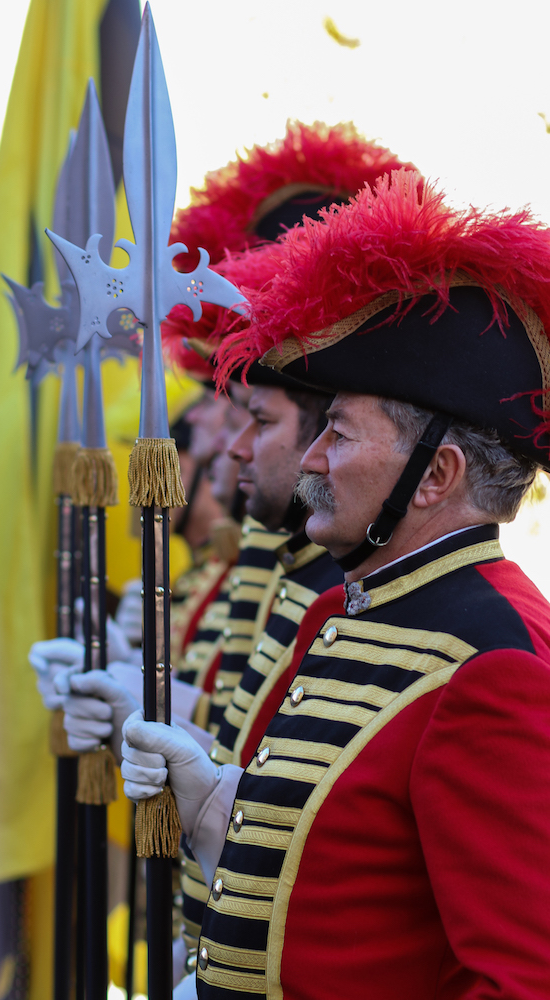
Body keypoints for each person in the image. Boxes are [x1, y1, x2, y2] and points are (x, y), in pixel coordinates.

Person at [121, 170, 550, 999]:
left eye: (339, 434)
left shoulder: (494, 664)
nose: (311, 458)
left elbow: (521, 978)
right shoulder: (341, 611)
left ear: (436, 475)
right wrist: (217, 813)